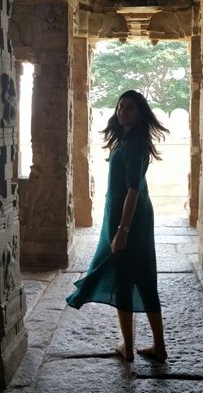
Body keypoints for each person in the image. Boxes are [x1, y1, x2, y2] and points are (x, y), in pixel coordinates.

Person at [66, 90, 169, 363]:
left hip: (129, 219)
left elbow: (133, 191)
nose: (123, 111)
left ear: (140, 113)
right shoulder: (126, 141)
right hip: (126, 216)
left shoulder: (134, 144)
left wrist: (123, 231)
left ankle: (133, 346)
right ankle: (152, 345)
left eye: (130, 108)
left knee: (129, 277)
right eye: (120, 106)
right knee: (141, 276)